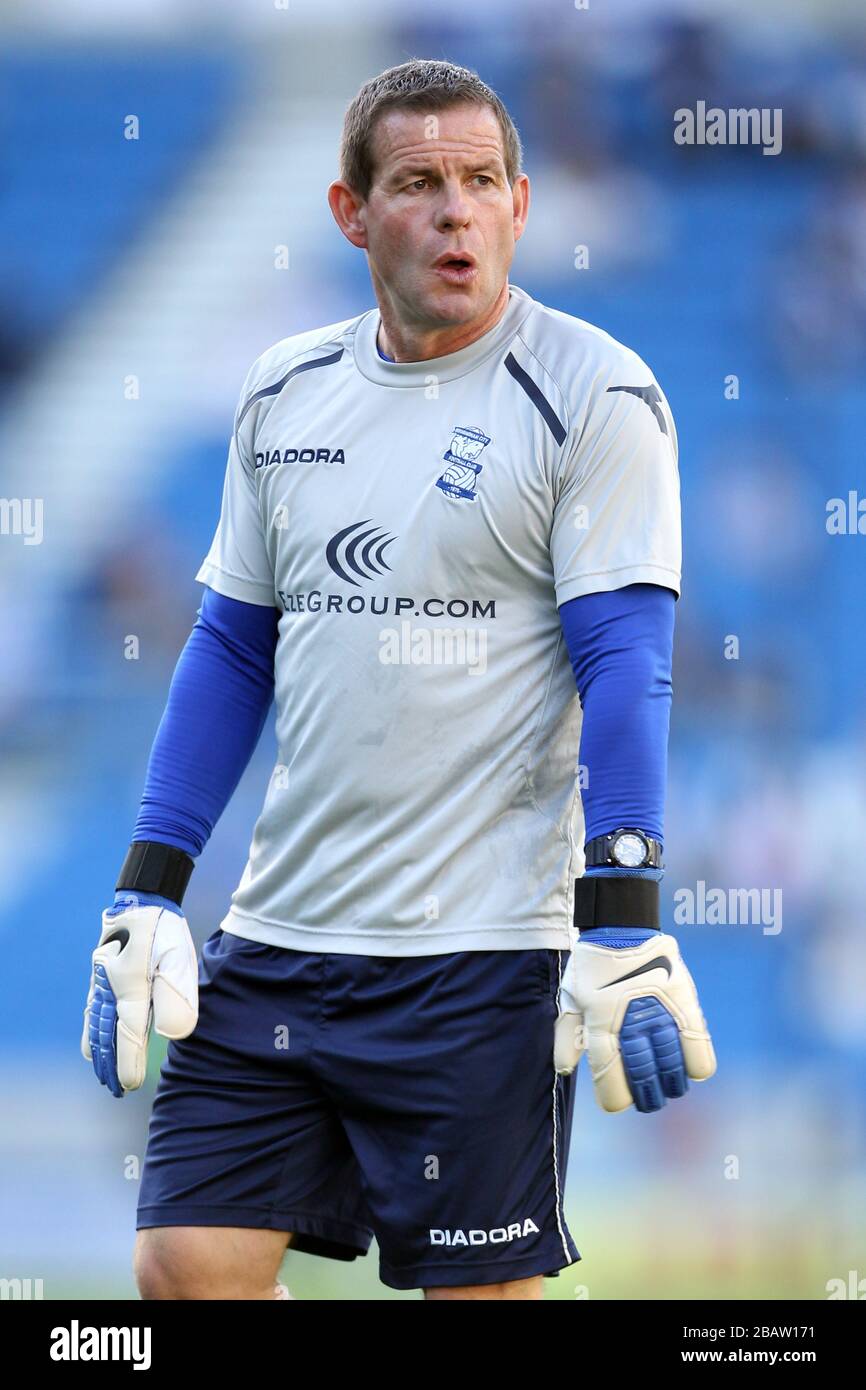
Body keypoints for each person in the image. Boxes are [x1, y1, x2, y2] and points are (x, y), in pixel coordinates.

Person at [82, 58, 715, 1302]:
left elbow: (625, 661)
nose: (454, 210)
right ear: (350, 212)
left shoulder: (597, 393)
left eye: (481, 182)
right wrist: (147, 887)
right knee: (181, 1272)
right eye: (418, 182)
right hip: (279, 937)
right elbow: (229, 645)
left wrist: (625, 911)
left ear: (521, 207)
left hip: (477, 959)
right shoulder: (281, 392)